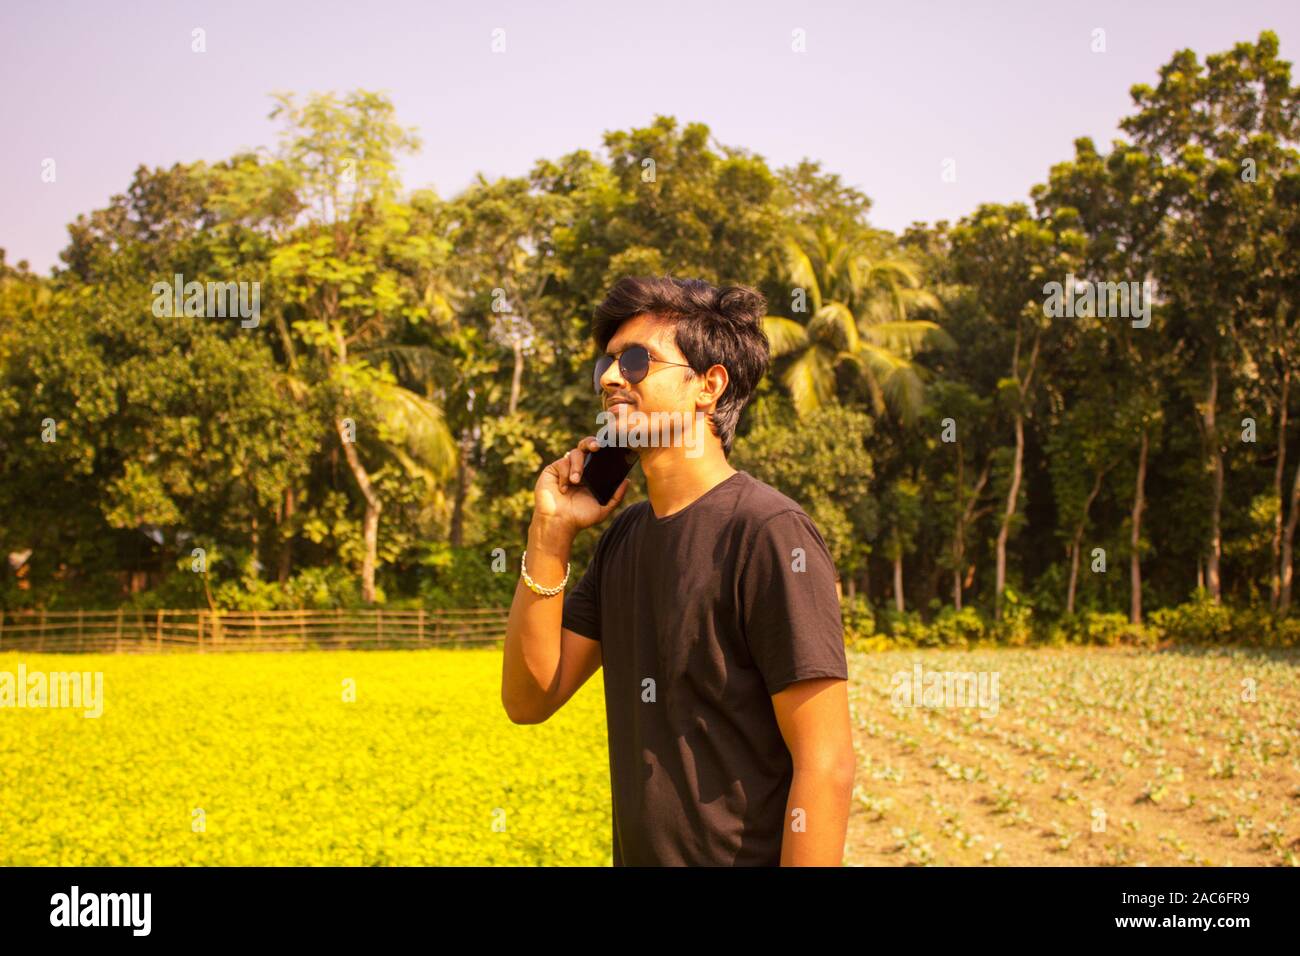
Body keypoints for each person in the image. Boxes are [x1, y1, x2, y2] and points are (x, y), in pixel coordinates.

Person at [501, 274, 854, 866]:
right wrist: (551, 533)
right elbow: (530, 699)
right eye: (607, 365)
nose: (613, 378)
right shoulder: (625, 542)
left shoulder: (767, 533)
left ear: (708, 386)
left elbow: (826, 762)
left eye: (637, 360)